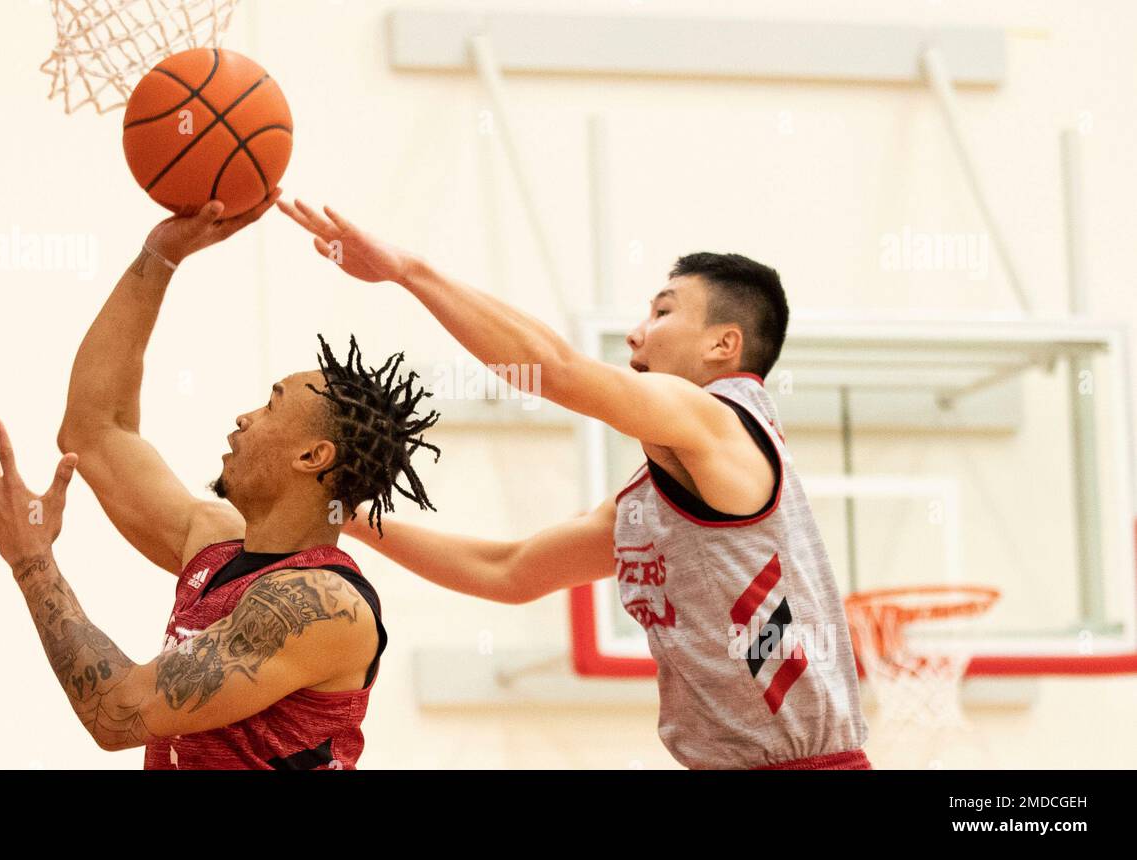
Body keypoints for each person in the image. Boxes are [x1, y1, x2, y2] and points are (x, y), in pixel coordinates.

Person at [277, 197, 869, 770]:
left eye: (662, 313)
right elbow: (508, 572)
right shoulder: (651, 501)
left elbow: (552, 371)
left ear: (723, 344)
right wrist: (347, 518)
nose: (637, 334)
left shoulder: (720, 418)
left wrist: (408, 272)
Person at [0, 192, 440, 769]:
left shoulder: (319, 603)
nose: (245, 416)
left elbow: (116, 712)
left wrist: (32, 562)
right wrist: (161, 255)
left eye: (272, 404)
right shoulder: (215, 542)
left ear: (314, 455)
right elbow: (94, 429)